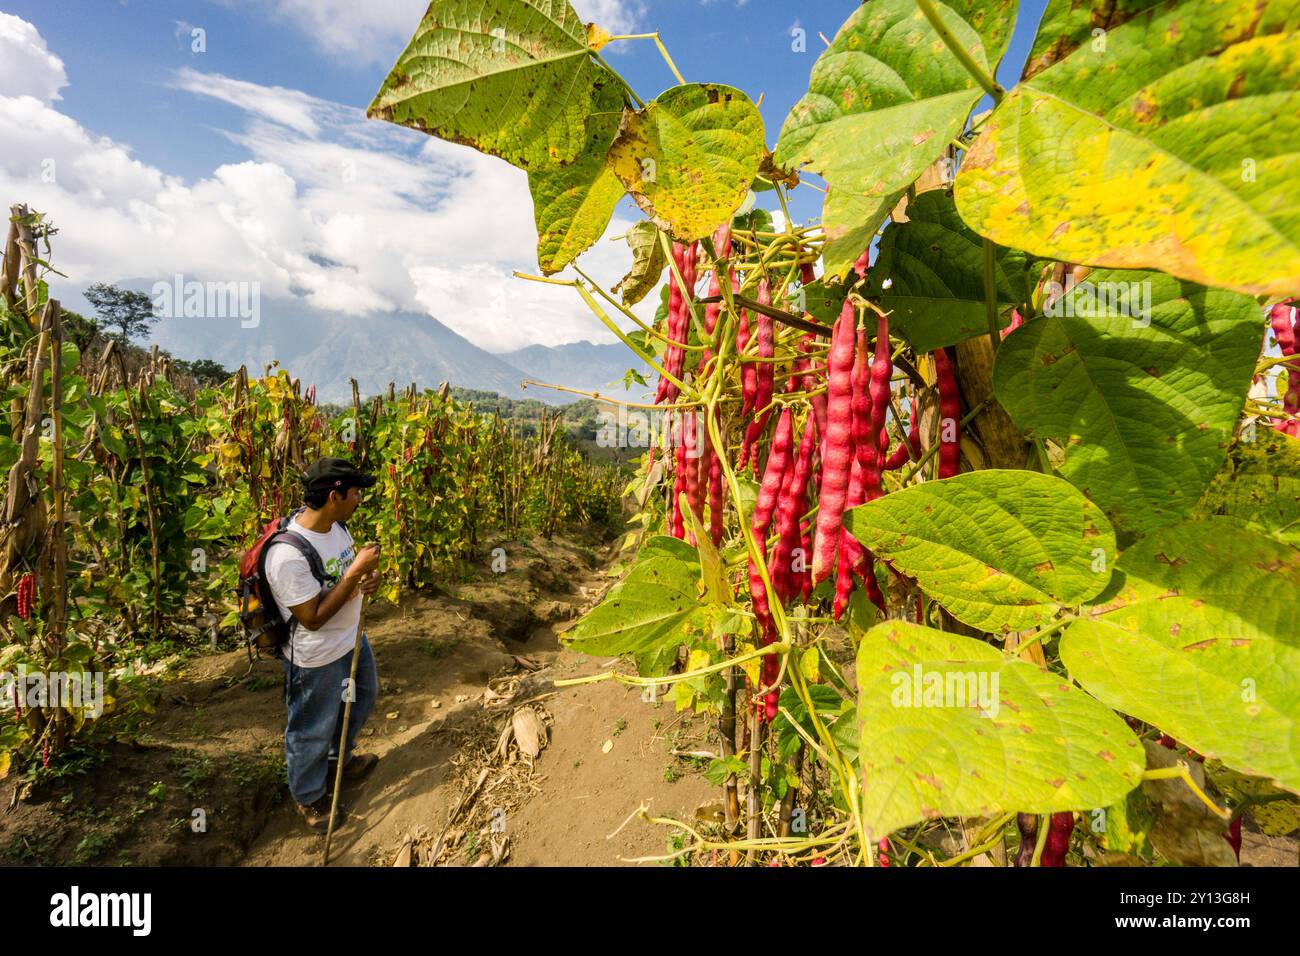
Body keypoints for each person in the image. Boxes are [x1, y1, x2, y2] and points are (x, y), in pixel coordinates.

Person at [264, 457, 382, 831]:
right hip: (316, 660)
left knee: (363, 697)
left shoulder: (336, 526)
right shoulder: (286, 556)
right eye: (355, 493)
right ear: (335, 495)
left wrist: (364, 581)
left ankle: (338, 761)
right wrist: (354, 574)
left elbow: (344, 580)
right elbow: (312, 618)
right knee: (311, 726)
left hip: (351, 641)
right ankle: (309, 796)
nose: (359, 499)